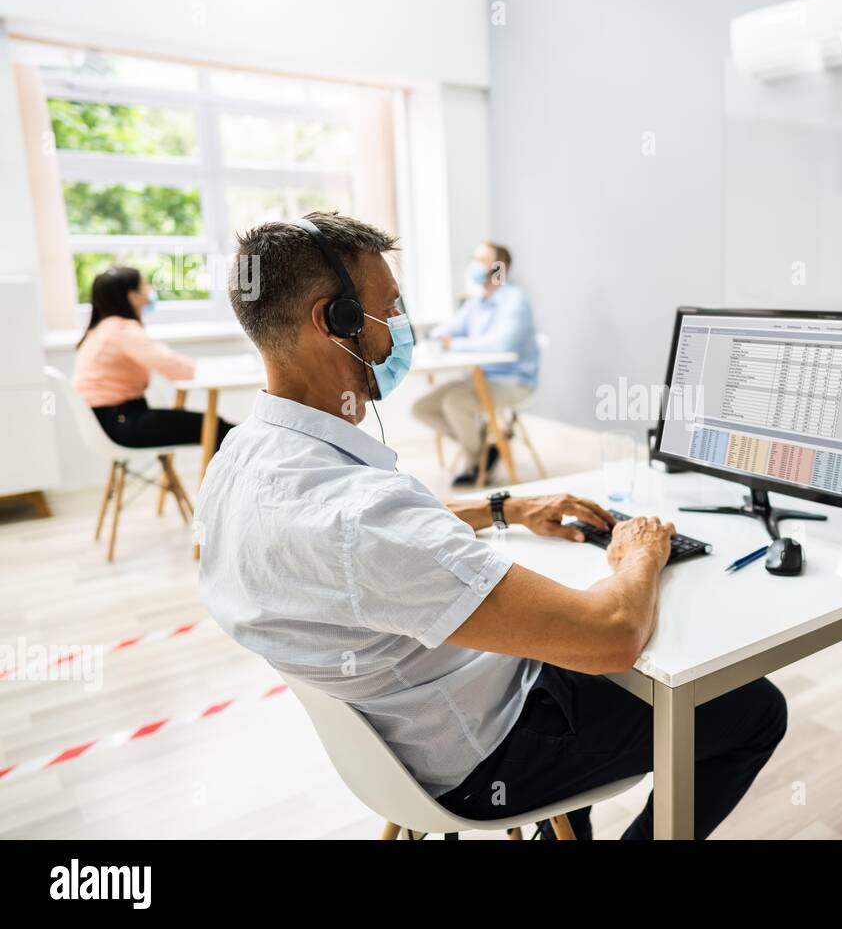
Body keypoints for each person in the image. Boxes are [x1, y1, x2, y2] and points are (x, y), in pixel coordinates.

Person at [194, 213, 785, 839]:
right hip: (482, 756)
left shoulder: (240, 459)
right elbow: (611, 636)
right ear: (331, 319)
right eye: (388, 307)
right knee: (752, 709)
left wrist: (501, 508)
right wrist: (641, 552)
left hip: (393, 744)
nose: (400, 326)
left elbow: (344, 553)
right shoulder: (365, 519)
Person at [413, 241, 540, 486]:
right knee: (422, 407)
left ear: (499, 267)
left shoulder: (514, 300)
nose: (474, 265)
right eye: (475, 259)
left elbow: (500, 345)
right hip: (481, 378)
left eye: (482, 260)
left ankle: (475, 463)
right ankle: (486, 449)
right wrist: (436, 336)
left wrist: (453, 344)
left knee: (455, 402)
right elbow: (449, 328)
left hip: (513, 380)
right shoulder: (477, 302)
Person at [72, 266, 235, 449]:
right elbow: (175, 367)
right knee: (220, 429)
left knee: (212, 426)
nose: (150, 290)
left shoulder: (99, 329)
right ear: (133, 296)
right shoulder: (122, 331)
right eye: (145, 285)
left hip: (106, 423)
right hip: (123, 422)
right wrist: (219, 370)